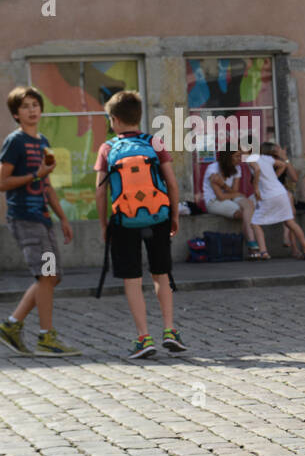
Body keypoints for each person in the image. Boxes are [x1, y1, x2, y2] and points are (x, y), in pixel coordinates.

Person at [93, 90, 185, 359]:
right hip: (158, 216)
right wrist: (175, 214)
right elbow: (171, 182)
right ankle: (169, 329)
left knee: (132, 279)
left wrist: (103, 224)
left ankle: (144, 337)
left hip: (123, 219)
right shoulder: (155, 142)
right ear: (138, 116)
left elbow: (99, 191)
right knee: (161, 273)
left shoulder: (108, 148)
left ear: (113, 119)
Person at [0, 86, 79, 356]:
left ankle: (12, 325)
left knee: (51, 276)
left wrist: (63, 217)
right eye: (25, 106)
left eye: (35, 104)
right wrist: (35, 174)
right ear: (16, 114)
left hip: (42, 219)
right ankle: (46, 337)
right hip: (24, 218)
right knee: (47, 274)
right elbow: (3, 182)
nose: (32, 110)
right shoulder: (16, 141)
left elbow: (46, 183)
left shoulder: (42, 141)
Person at [249, 141, 305, 260]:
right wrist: (274, 179)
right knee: (290, 222)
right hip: (280, 192)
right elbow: (282, 165)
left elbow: (256, 170)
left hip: (268, 195)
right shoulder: (266, 158)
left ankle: (263, 251)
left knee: (255, 223)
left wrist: (257, 188)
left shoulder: (251, 158)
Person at [202, 150, 257, 253]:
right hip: (214, 201)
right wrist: (233, 192)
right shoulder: (213, 169)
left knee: (249, 205)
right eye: (236, 156)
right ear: (227, 157)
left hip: (230, 197)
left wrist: (223, 185)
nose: (239, 159)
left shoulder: (237, 168)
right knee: (244, 213)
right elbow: (221, 196)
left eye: (240, 156)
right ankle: (252, 244)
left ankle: (252, 243)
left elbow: (234, 191)